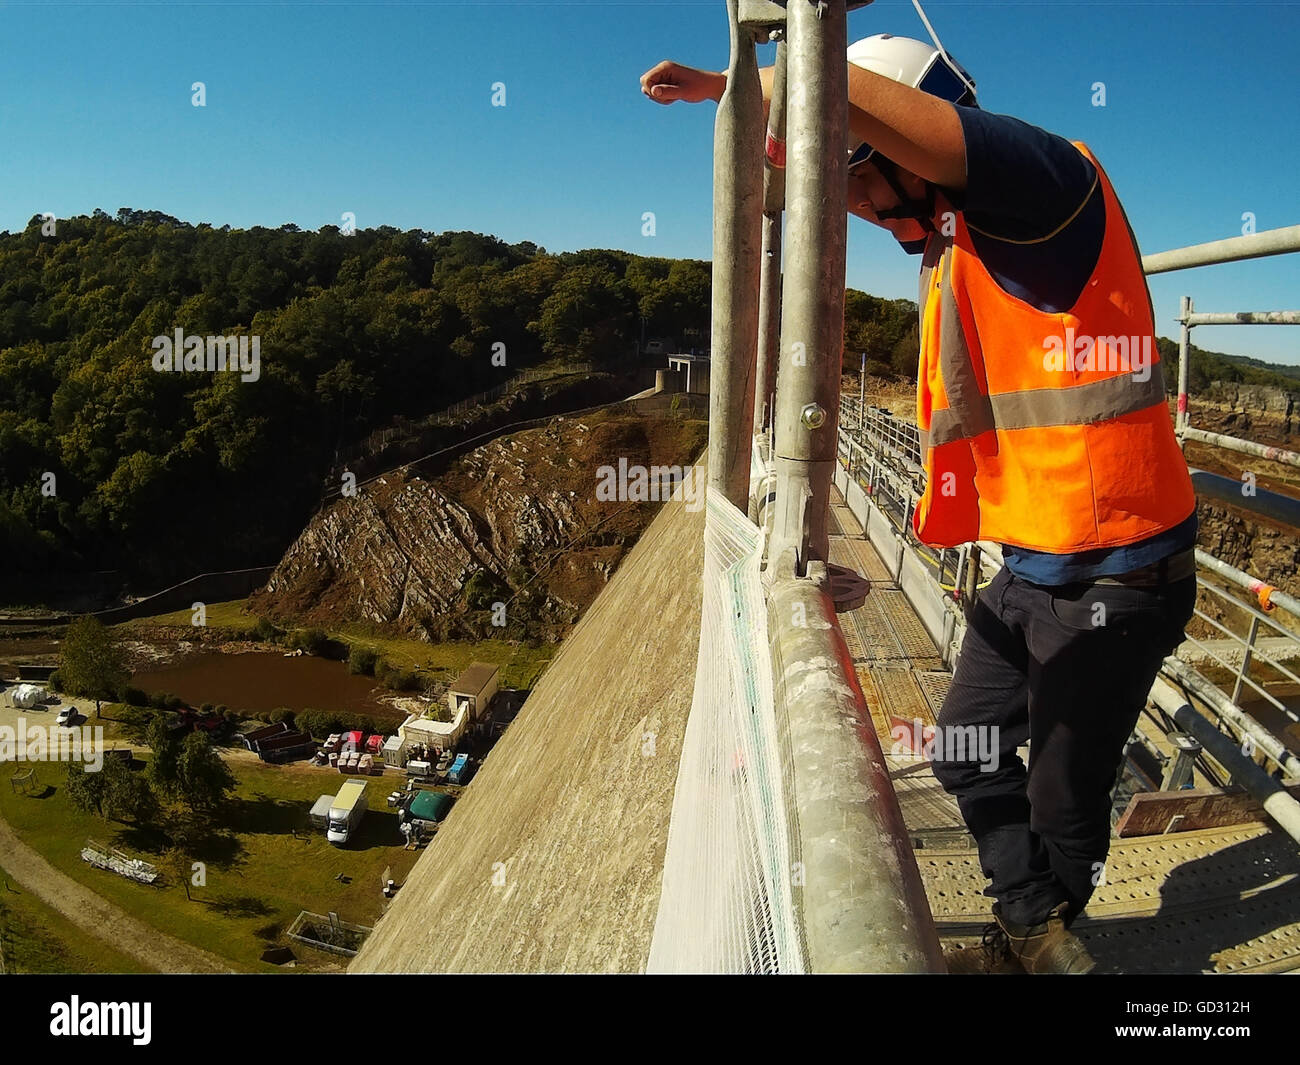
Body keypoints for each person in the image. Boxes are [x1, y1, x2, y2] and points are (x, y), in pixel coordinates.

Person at [641, 31, 1197, 975]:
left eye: (856, 178)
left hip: (1118, 567)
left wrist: (744, 82)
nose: (851, 207)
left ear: (898, 141)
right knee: (964, 753)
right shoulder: (967, 247)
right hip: (1036, 561)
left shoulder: (1045, 188)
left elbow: (903, 117)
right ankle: (1033, 925)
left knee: (1063, 801)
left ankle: (1038, 942)